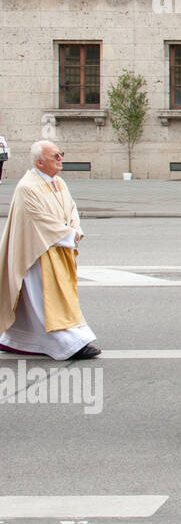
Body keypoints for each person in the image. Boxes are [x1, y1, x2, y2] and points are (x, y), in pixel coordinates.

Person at [0, 141, 100, 360]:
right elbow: (38, 219)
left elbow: (71, 207)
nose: (60, 159)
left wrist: (75, 228)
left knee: (38, 303)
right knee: (45, 300)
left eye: (60, 154)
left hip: (59, 247)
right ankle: (66, 343)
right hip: (38, 252)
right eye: (55, 156)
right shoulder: (28, 186)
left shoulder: (59, 182)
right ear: (39, 162)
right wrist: (67, 234)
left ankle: (15, 339)